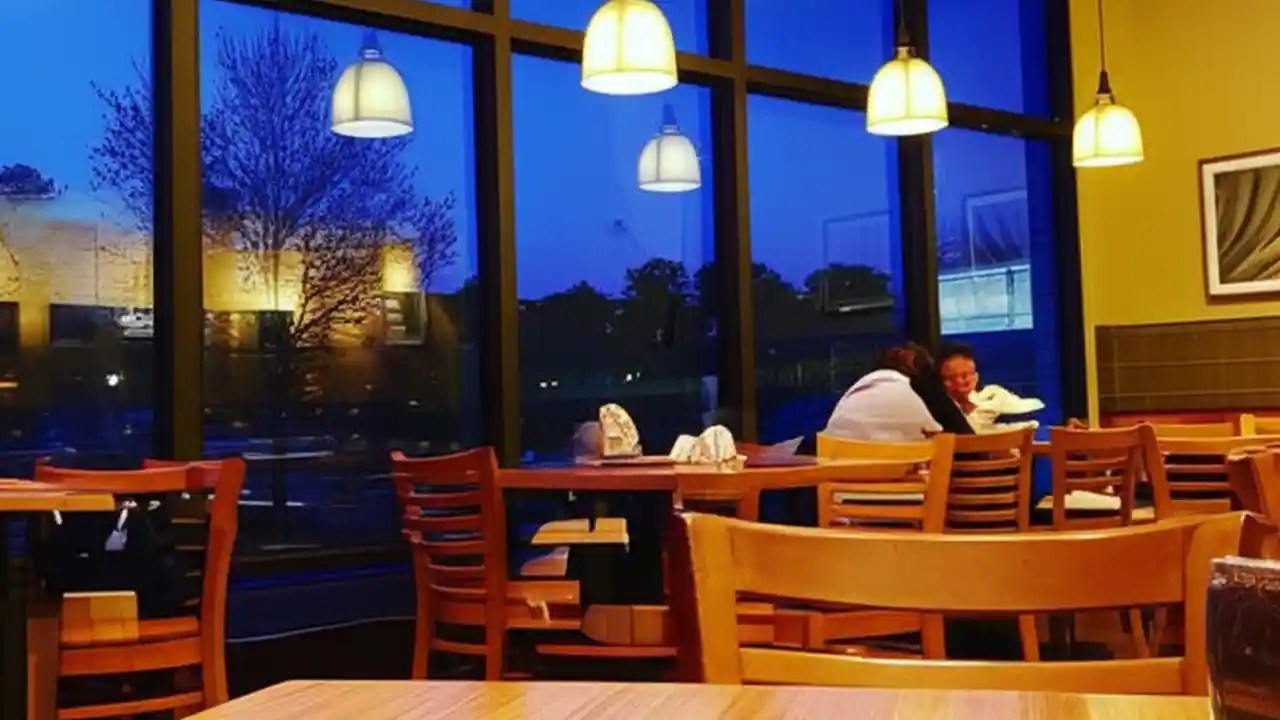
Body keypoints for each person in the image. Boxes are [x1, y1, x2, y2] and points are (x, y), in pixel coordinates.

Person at [824, 343, 971, 441]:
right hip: (897, 477)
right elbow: (965, 441)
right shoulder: (916, 390)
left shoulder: (856, 390)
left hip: (836, 476)